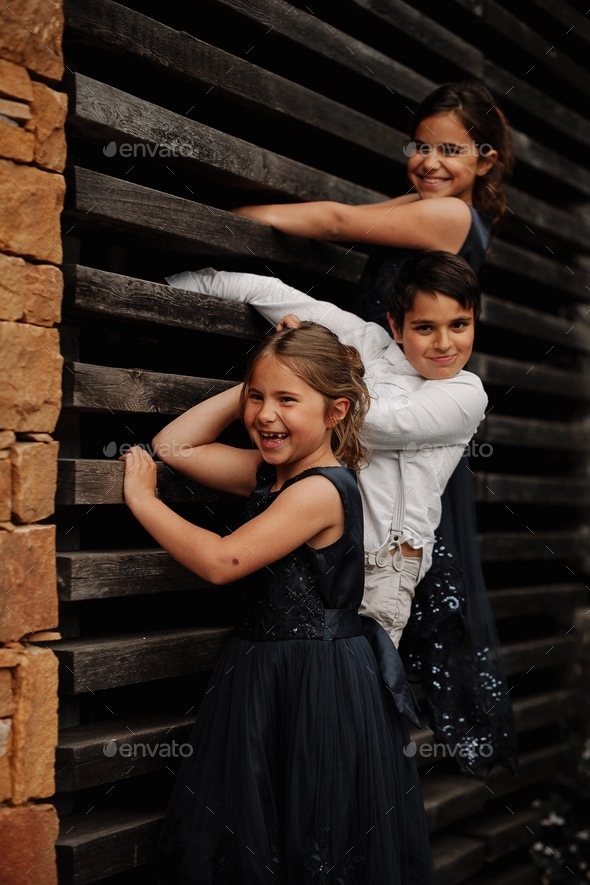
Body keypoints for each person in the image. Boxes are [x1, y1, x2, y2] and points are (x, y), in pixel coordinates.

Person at [165, 251, 518, 776]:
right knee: (305, 680)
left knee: (353, 698)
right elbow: (271, 294)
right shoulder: (368, 342)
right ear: (396, 325)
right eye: (425, 326)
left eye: (459, 325)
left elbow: (377, 425)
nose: (444, 343)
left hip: (384, 566)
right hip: (323, 545)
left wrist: (322, 367)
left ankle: (341, 802)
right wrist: (176, 285)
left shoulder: (464, 392)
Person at [120, 323, 436, 883]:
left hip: (317, 682)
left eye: (288, 400)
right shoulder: (275, 477)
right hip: (261, 675)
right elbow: (175, 446)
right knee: (253, 833)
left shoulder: (320, 489)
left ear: (336, 412)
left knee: (310, 829)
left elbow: (223, 562)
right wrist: (263, 373)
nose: (266, 415)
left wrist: (144, 502)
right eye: (258, 397)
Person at [230, 78, 514, 328]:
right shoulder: (430, 205)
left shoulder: (451, 213)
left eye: (450, 150)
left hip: (391, 368)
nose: (429, 163)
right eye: (421, 147)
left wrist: (236, 216)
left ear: (485, 163)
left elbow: (336, 223)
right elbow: (352, 216)